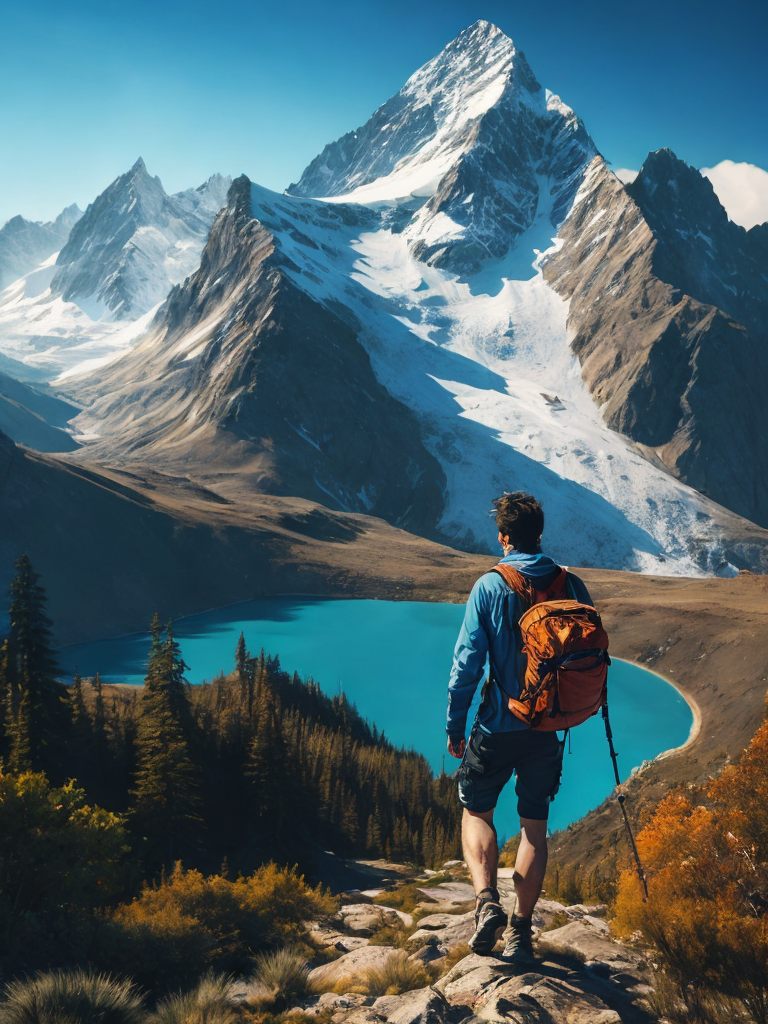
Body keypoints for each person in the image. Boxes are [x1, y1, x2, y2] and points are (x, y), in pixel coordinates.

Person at [446, 491, 593, 963]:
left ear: (504, 538)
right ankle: (521, 933)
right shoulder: (570, 584)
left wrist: (455, 725)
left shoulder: (489, 587)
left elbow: (466, 667)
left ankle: (486, 901)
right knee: (534, 830)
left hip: (496, 727)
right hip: (548, 729)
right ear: (540, 534)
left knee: (476, 813)